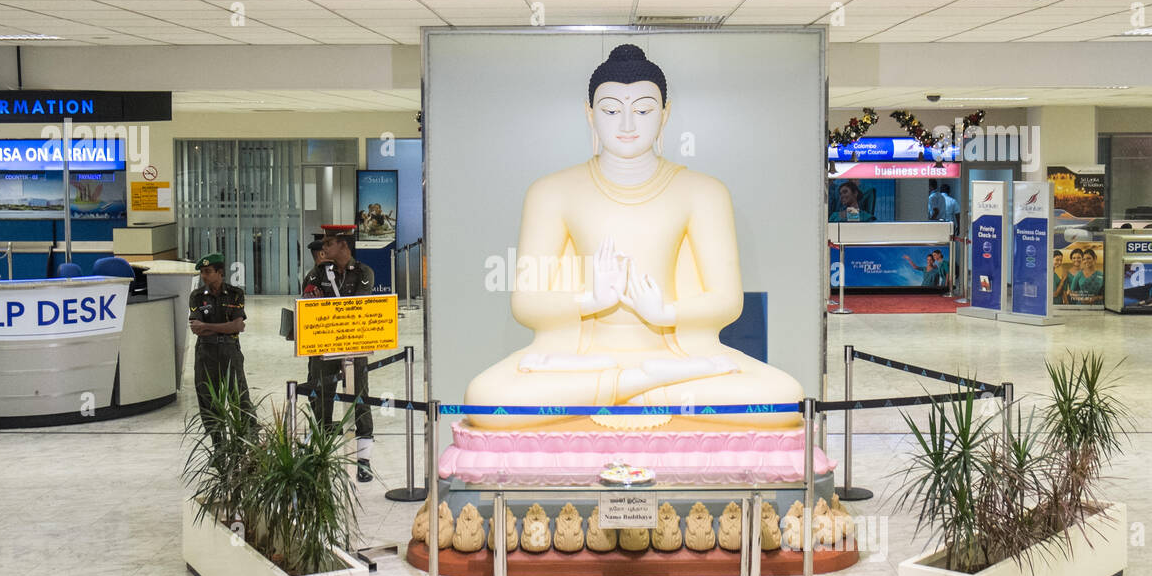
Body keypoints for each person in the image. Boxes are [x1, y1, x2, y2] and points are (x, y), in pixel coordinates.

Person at [461, 43, 804, 430]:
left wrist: (665, 313)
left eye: (643, 110)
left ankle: (619, 389)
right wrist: (589, 300)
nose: (627, 125)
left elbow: (727, 302)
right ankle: (645, 387)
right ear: (589, 115)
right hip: (578, 358)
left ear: (666, 114)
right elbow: (526, 303)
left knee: (784, 398)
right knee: (487, 398)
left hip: (676, 352)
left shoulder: (704, 191)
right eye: (610, 110)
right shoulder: (551, 191)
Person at [303, 233, 378, 482]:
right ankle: (322, 457)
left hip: (354, 345)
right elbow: (307, 303)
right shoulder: (317, 274)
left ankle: (364, 461)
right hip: (323, 347)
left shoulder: (363, 272)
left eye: (328, 244)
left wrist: (326, 306)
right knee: (321, 399)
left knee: (360, 400)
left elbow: (358, 306)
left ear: (343, 245)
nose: (323, 249)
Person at [189, 253, 254, 441]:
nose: (204, 276)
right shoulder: (197, 296)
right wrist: (225, 328)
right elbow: (196, 329)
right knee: (208, 400)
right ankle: (219, 447)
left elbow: (238, 326)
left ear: (220, 272)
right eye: (202, 272)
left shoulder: (235, 294)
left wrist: (208, 326)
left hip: (230, 351)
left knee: (239, 397)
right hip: (205, 353)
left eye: (208, 271)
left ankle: (246, 443)